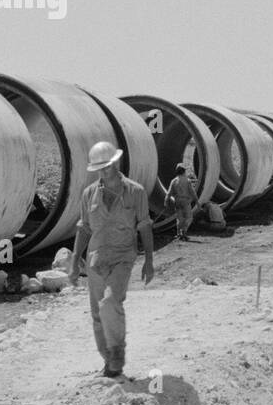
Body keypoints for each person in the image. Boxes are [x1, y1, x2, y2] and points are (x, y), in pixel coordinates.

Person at [67, 141, 154, 378]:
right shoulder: (89, 194)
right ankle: (109, 362)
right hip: (95, 259)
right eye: (99, 169)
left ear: (116, 162)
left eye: (107, 166)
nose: (103, 172)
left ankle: (117, 352)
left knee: (109, 302)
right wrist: (75, 262)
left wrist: (149, 261)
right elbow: (84, 228)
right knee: (97, 315)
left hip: (122, 257)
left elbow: (144, 226)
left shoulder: (135, 192)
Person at [165, 164, 198, 240]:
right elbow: (193, 193)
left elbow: (169, 193)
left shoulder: (174, 181)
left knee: (179, 218)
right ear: (183, 172)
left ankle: (178, 234)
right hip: (186, 201)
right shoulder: (187, 181)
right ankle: (184, 232)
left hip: (177, 201)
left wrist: (166, 201)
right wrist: (197, 203)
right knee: (189, 217)